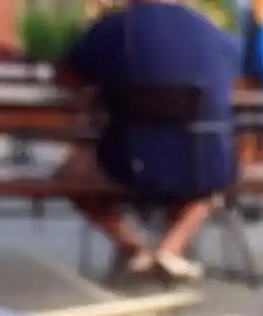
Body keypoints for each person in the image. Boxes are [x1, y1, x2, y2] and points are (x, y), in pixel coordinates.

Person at [56, 0, 241, 282]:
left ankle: (136, 249)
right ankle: (169, 249)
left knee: (70, 175)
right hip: (201, 165)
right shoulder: (208, 28)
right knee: (214, 176)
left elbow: (66, 77)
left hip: (130, 163)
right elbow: (232, 77)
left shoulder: (116, 26)